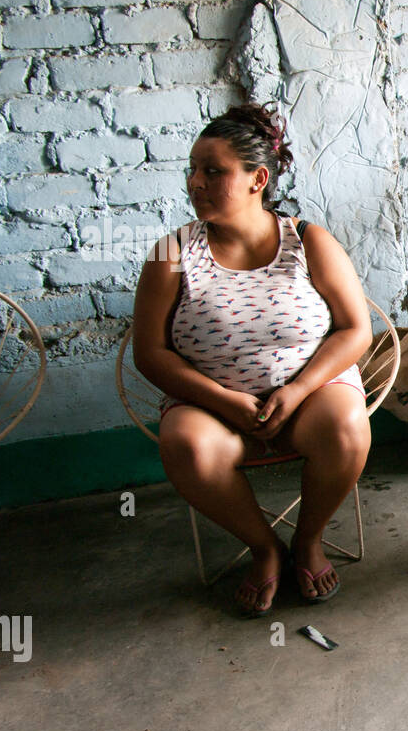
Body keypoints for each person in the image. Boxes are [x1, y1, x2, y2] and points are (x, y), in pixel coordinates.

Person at [132, 103, 373, 616]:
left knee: (347, 428)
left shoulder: (308, 241)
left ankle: (308, 540)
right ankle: (265, 548)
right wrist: (223, 398)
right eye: (192, 170)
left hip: (309, 397)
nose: (195, 182)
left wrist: (298, 390)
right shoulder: (169, 253)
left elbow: (356, 330)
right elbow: (149, 353)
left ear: (257, 179)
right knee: (187, 447)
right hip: (213, 406)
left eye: (213, 170)